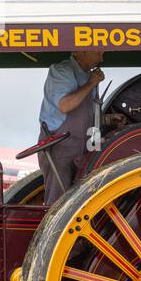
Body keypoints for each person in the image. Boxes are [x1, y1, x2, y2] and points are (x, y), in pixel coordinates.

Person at [37, 50, 105, 205]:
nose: (101, 57)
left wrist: (107, 118)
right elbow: (65, 105)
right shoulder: (62, 70)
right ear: (80, 51)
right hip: (61, 146)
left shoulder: (89, 75)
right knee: (57, 202)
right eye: (98, 52)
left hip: (84, 148)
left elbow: (88, 112)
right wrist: (91, 84)